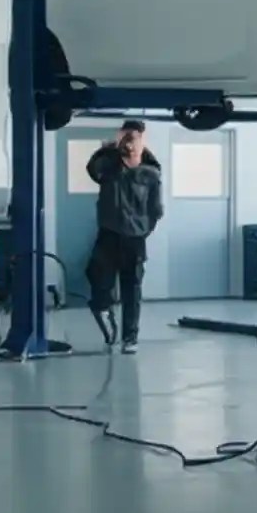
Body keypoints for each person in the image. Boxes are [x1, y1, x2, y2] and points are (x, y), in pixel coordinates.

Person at [84, 126, 164, 354]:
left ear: (142, 140)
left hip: (135, 237)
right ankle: (104, 309)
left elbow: (156, 209)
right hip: (109, 233)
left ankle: (130, 338)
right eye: (125, 136)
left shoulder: (151, 173)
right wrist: (110, 149)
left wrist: (143, 230)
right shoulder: (109, 166)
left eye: (134, 137)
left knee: (132, 288)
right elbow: (92, 170)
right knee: (96, 275)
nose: (129, 142)